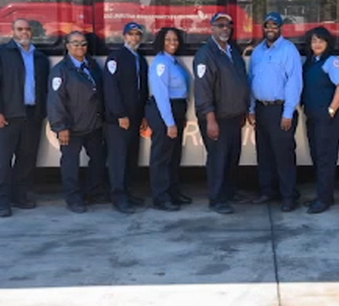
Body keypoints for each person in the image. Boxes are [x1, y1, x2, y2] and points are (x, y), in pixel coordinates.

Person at [0, 19, 50, 218]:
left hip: (32, 114)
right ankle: (1, 200)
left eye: (28, 29)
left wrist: (42, 112)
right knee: (3, 160)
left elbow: (44, 87)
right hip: (8, 115)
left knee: (26, 159)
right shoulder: (2, 53)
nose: (24, 33)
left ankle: (20, 196)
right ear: (12, 32)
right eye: (20, 29)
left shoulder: (40, 57)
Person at [194, 12, 250, 214]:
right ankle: (216, 200)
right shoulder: (205, 54)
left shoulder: (232, 51)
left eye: (228, 25)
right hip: (217, 118)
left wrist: (243, 109)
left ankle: (229, 192)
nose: (225, 28)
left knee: (232, 158)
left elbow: (241, 80)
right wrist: (210, 119)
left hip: (234, 116)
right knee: (218, 160)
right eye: (220, 25)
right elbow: (203, 90)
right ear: (212, 28)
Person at [247, 12, 304, 212]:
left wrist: (288, 112)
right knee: (264, 154)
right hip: (262, 109)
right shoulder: (258, 52)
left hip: (281, 109)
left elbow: (294, 82)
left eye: (274, 26)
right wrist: (252, 108)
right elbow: (251, 80)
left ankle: (288, 196)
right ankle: (267, 191)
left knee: (283, 156)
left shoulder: (289, 50)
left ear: (281, 28)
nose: (270, 29)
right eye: (267, 25)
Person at [47, 31, 107, 214]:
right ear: (67, 45)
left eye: (83, 44)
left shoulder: (92, 65)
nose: (80, 47)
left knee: (98, 160)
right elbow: (55, 101)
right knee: (70, 165)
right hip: (71, 128)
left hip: (93, 125)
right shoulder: (61, 70)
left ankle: (92, 192)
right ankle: (73, 198)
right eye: (75, 44)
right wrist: (61, 126)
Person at [103, 22, 150, 214]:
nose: (135, 38)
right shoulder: (116, 58)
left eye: (138, 34)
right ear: (124, 36)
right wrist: (120, 114)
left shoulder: (140, 59)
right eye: (131, 34)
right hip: (119, 119)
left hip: (136, 117)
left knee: (131, 158)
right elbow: (111, 89)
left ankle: (128, 192)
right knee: (118, 159)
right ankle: (118, 196)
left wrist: (144, 115)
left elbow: (143, 90)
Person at [301, 27, 339, 214]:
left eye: (321, 40)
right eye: (313, 41)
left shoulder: (332, 62)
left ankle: (324, 200)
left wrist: (330, 110)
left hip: (328, 118)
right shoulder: (312, 62)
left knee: (325, 158)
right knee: (317, 156)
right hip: (313, 115)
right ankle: (324, 195)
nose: (317, 44)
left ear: (328, 43)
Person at [146, 27, 192, 211]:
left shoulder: (173, 61)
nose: (172, 42)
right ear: (161, 42)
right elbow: (161, 95)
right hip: (165, 111)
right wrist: (170, 122)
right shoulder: (161, 63)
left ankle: (173, 192)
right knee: (162, 157)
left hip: (177, 110)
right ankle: (161, 197)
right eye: (168, 39)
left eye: (175, 39)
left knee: (173, 156)